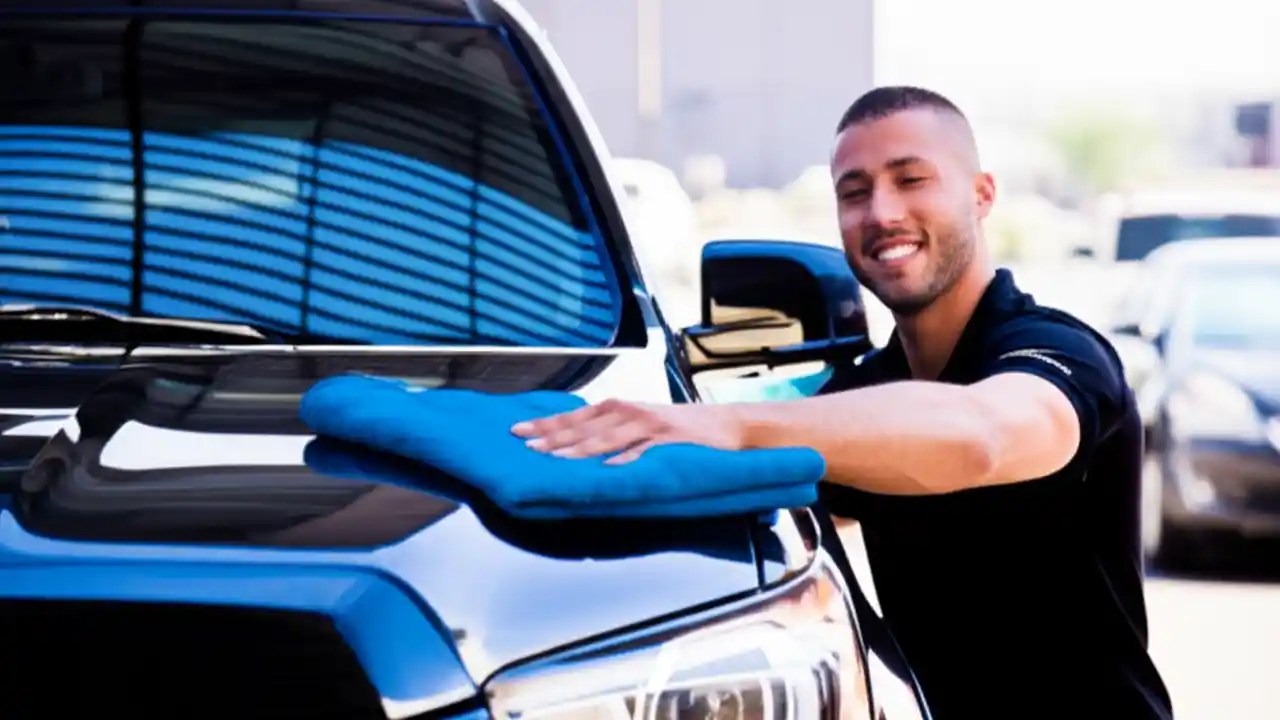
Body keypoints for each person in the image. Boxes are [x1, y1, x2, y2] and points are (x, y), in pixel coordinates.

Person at [511, 86, 1174, 719]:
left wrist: (728, 423)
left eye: (911, 179)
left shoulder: (1060, 352)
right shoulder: (864, 394)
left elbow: (982, 437)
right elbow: (745, 511)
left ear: (981, 195)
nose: (882, 212)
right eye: (854, 192)